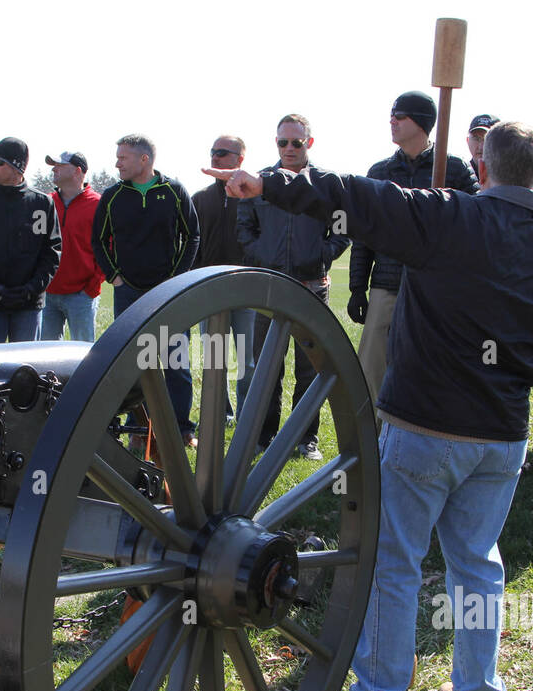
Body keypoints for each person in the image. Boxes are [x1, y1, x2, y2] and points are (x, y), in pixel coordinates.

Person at [205, 120, 533, 691]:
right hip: (502, 432)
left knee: (394, 560)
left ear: (483, 168)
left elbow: (357, 196)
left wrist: (270, 184)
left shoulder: (451, 218)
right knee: (478, 564)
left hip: (425, 422)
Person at [350, 94, 480, 398]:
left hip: (436, 290)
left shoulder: (456, 170)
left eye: (400, 115)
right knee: (372, 370)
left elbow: (475, 225)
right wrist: (358, 286)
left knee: (431, 369)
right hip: (387, 286)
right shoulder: (379, 173)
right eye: (392, 114)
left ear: (420, 122)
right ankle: (373, 440)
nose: (392, 120)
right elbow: (363, 235)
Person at [237, 114, 350, 459]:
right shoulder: (261, 181)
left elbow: (343, 226)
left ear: (309, 144)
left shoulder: (328, 184)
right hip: (269, 288)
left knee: (309, 369)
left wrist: (323, 254)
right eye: (282, 142)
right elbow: (245, 228)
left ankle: (305, 439)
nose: (288, 148)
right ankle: (262, 436)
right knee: (265, 368)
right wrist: (261, 255)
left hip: (312, 288)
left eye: (296, 142)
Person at [92, 133, 200, 443]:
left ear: (144, 159)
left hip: (170, 292)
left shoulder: (174, 190)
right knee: (134, 362)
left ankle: (181, 430)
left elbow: (192, 236)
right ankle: (139, 428)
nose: (117, 163)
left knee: (176, 363)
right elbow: (98, 239)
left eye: (122, 158)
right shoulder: (112, 195)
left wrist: (177, 278)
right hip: (128, 292)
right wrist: (113, 275)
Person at [0, 137, 60, 344]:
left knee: (26, 368)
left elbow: (51, 251)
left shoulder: (41, 203)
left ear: (17, 167)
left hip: (29, 305)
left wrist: (32, 289)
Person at [192, 134, 254, 418]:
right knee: (214, 359)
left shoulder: (254, 198)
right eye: (212, 151)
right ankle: (221, 412)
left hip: (245, 290)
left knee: (247, 361)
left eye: (222, 152)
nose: (215, 157)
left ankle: (246, 414)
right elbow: (191, 245)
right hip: (210, 291)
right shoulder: (200, 199)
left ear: (240, 159)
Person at [42, 151, 104, 341]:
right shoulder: (46, 202)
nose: (54, 169)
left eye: (60, 165)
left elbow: (108, 248)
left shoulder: (98, 204)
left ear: (77, 171)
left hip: (81, 296)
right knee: (45, 358)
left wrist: (91, 288)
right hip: (47, 295)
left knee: (83, 356)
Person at [466, 113, 500, 178]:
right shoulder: (458, 177)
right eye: (476, 138)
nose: (481, 146)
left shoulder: (510, 178)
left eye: (487, 139)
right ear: (468, 141)